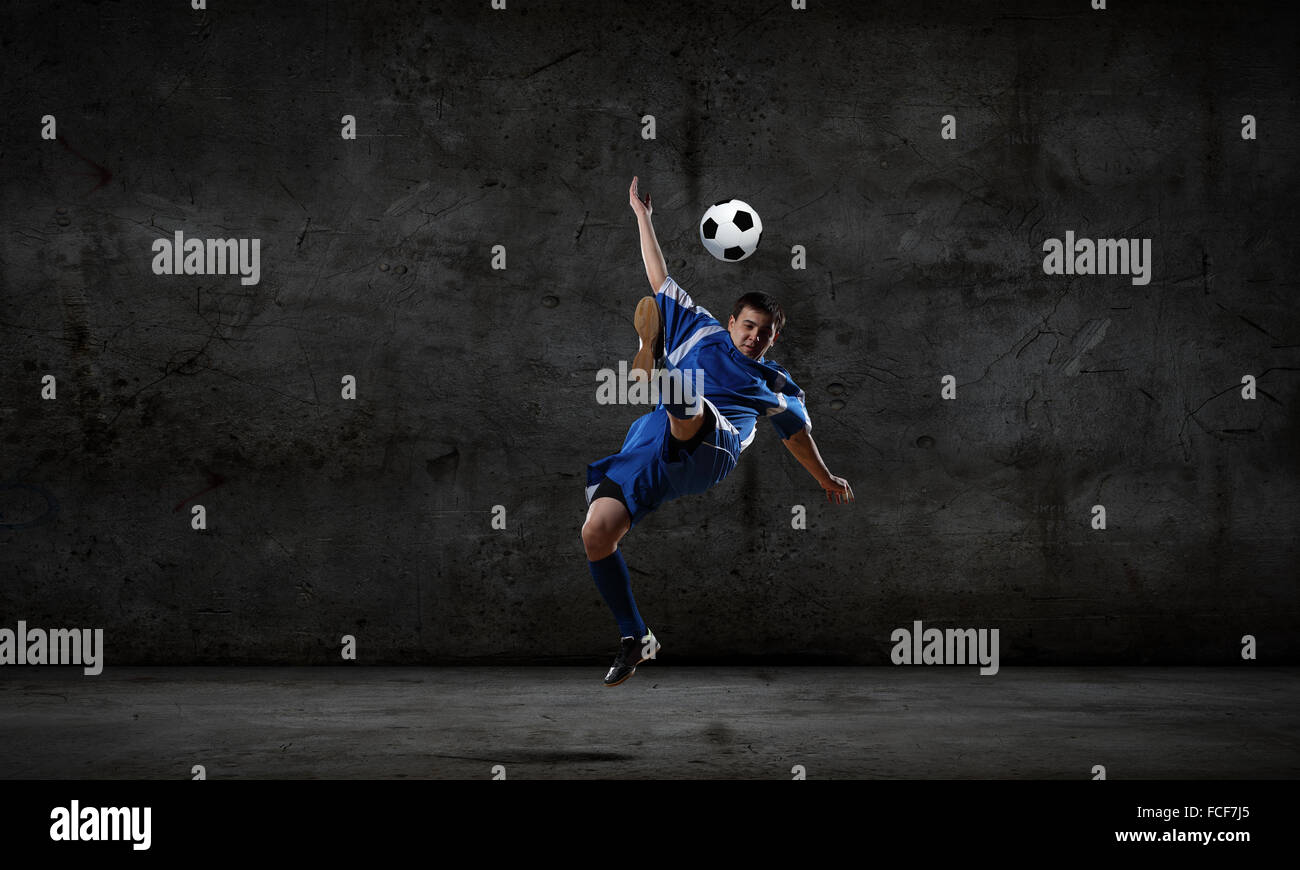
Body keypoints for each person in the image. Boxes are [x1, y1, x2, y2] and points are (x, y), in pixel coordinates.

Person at [583, 176, 854, 687]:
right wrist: (643, 217)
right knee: (596, 533)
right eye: (749, 326)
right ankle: (635, 638)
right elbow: (658, 275)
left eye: (766, 334)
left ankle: (657, 376)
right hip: (653, 441)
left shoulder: (775, 382)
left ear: (773, 340)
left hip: (716, 442)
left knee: (690, 400)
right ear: (732, 321)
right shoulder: (699, 327)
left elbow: (796, 436)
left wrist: (825, 477)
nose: (756, 338)